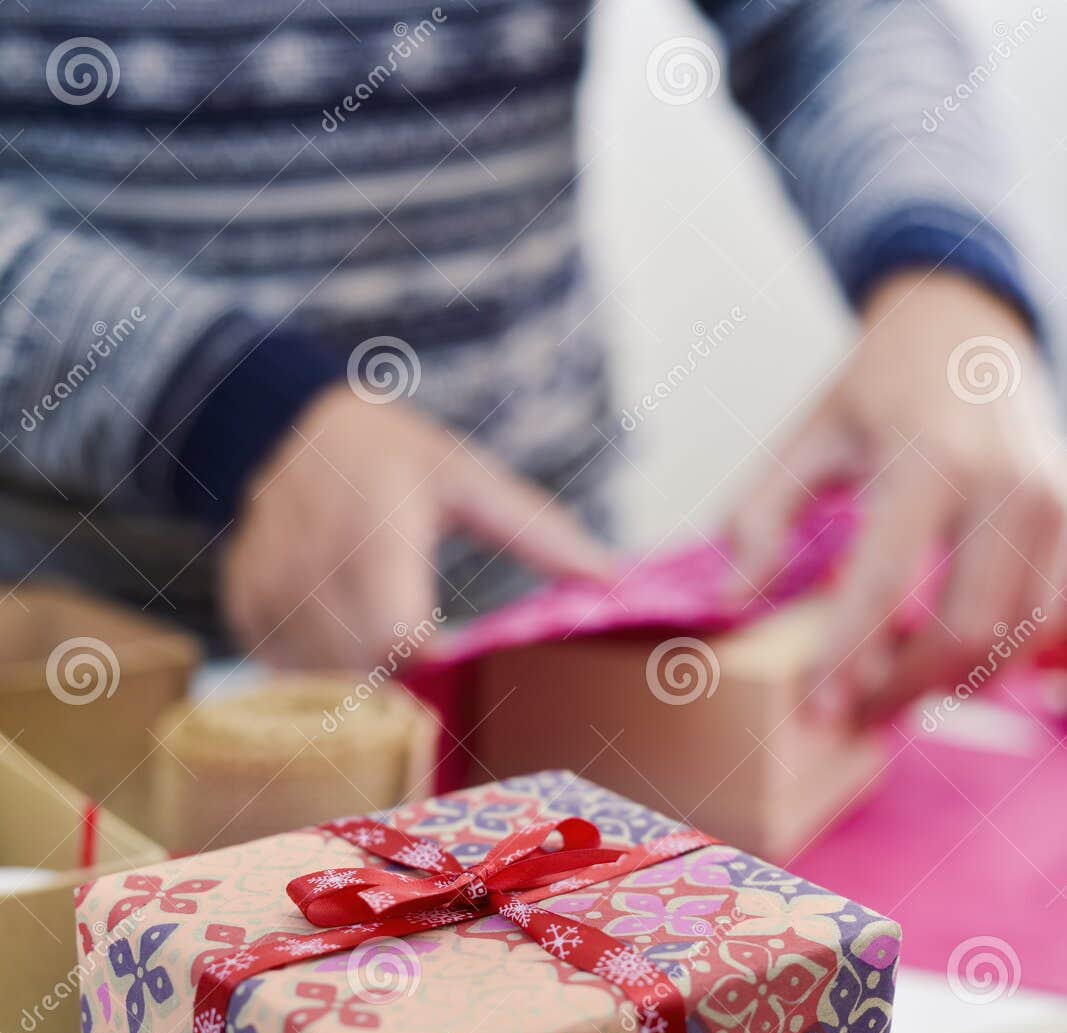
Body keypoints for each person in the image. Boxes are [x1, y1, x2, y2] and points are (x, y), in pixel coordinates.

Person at [0, 1, 1062, 726]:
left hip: (536, 657)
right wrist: (218, 405)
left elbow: (829, 20)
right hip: (58, 673)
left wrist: (944, 274)